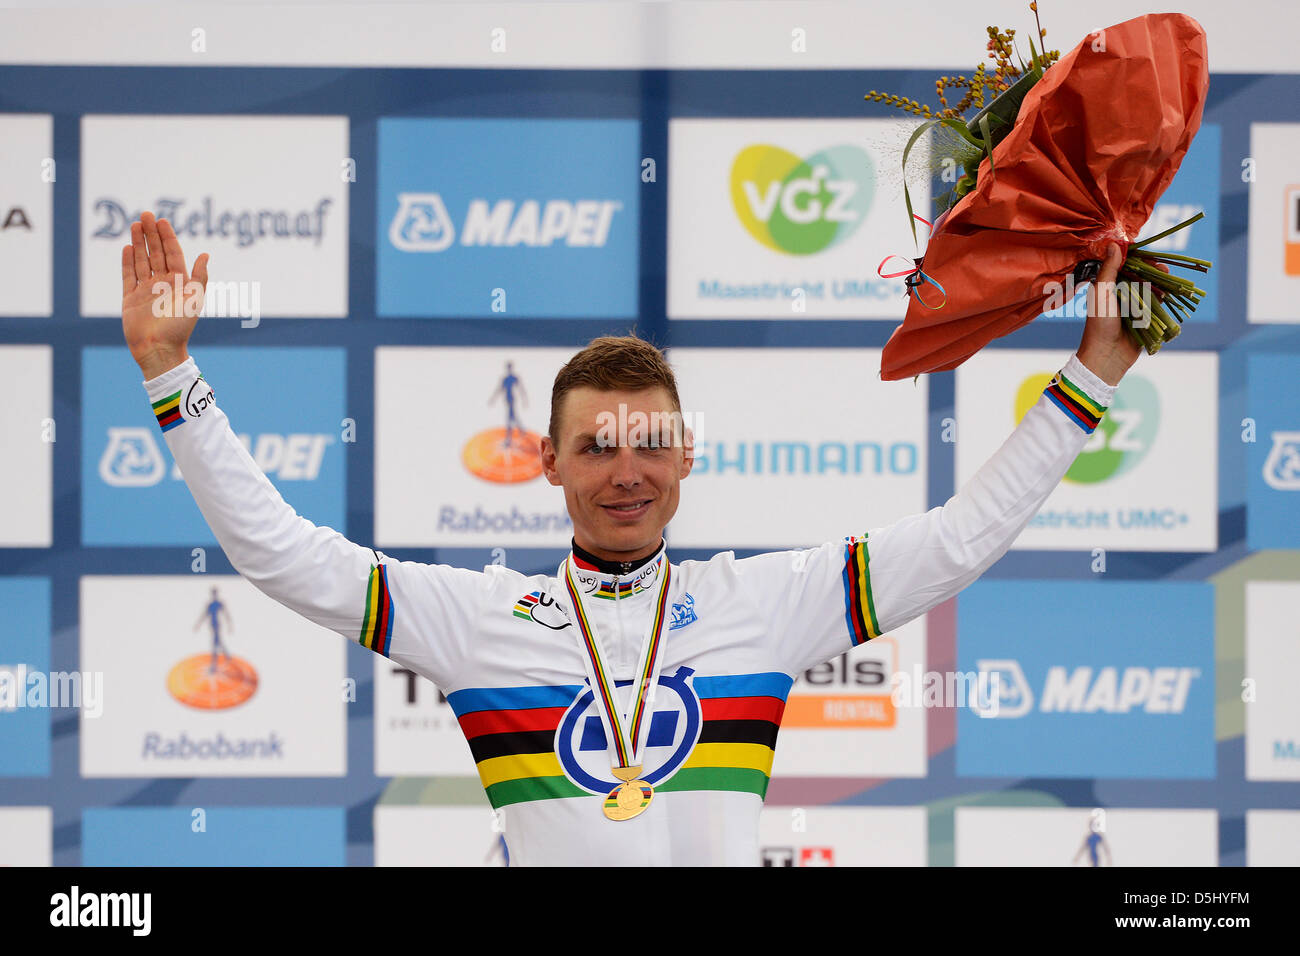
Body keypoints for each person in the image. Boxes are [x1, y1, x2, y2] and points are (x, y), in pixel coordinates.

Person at [121, 209, 1139, 866]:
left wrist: (1089, 377)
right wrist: (172, 376)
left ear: (687, 456)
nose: (626, 470)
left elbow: (962, 539)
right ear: (547, 462)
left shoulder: (763, 602)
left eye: (650, 443)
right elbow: (279, 551)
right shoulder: (476, 620)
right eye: (597, 446)